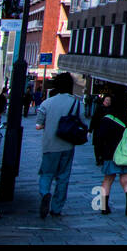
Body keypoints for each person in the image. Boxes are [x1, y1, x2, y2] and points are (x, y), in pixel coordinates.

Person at [34, 73, 82, 218]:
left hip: (50, 145)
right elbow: (81, 121)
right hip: (67, 145)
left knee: (46, 174)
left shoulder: (46, 103)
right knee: (63, 177)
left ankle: (45, 193)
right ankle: (57, 208)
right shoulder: (75, 102)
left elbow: (38, 125)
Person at [93, 88, 127, 216]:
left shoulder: (108, 118)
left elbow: (100, 137)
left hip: (111, 153)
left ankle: (104, 207)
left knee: (108, 180)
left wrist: (100, 154)